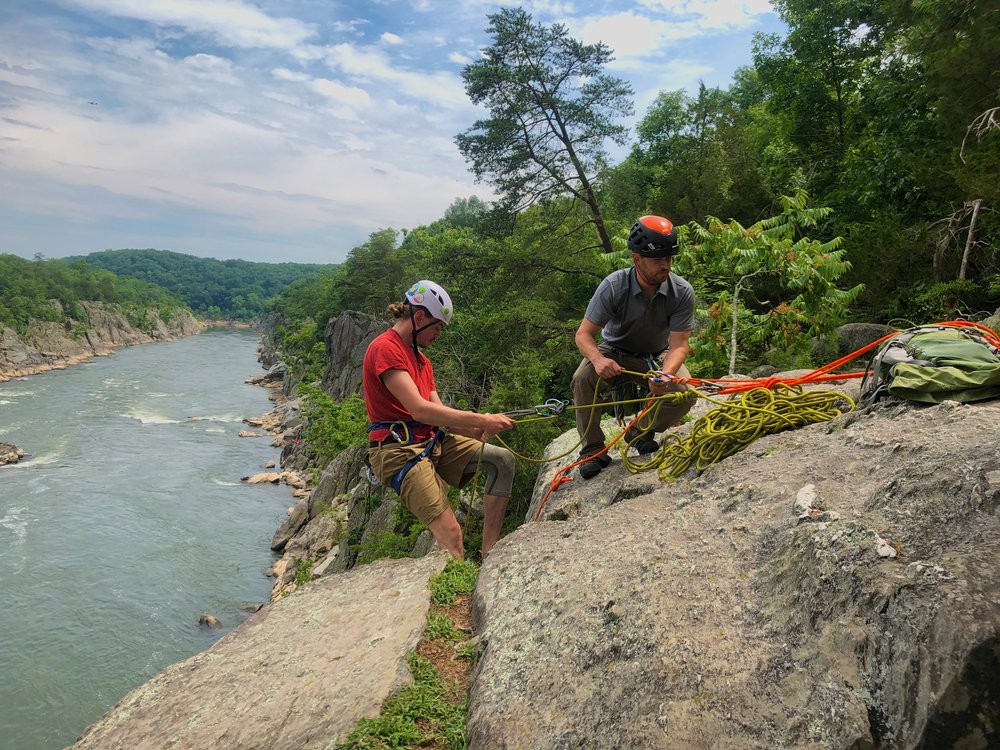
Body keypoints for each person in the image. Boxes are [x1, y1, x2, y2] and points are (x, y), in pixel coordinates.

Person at [363, 280, 516, 559]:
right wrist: (481, 421)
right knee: (452, 535)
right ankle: (452, 583)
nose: (438, 334)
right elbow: (419, 410)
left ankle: (490, 555)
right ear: (420, 317)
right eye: (438, 327)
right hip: (398, 451)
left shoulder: (422, 361)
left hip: (431, 441)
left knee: (502, 461)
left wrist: (475, 429)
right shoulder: (384, 348)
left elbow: (439, 414)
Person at [571, 215, 697, 479]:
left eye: (669, 258)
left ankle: (639, 432)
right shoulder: (614, 286)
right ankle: (592, 451)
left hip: (656, 355)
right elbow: (583, 335)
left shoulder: (681, 291)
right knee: (583, 379)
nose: (665, 265)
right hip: (614, 351)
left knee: (684, 392)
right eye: (657, 259)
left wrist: (665, 374)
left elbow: (679, 345)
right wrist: (598, 360)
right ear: (637, 259)